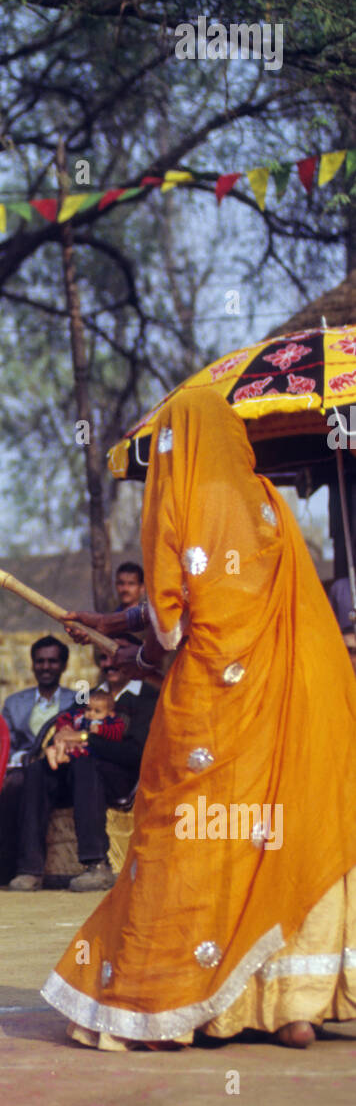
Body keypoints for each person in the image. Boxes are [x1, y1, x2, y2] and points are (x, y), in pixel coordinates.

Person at [43, 386, 356, 1051]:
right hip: (292, 705)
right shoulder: (268, 503)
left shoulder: (184, 500)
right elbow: (229, 600)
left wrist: (136, 650)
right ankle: (294, 1005)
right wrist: (120, 624)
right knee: (279, 835)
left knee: (190, 840)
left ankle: (175, 999)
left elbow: (175, 621)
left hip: (214, 715)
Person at [4, 643, 158, 892]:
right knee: (37, 772)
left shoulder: (147, 697)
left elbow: (136, 753)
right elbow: (65, 722)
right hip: (79, 770)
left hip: (122, 777)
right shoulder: (90, 692)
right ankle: (30, 868)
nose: (108, 665)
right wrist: (62, 736)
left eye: (116, 658)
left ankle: (96, 863)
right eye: (104, 658)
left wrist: (87, 739)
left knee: (87, 765)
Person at [0, 637, 77, 888]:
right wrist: (27, 759)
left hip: (61, 771)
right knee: (13, 783)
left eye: (52, 661)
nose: (45, 667)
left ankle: (17, 862)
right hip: (25, 771)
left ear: (63, 665)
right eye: (40, 661)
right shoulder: (15, 703)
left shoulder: (78, 700)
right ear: (32, 665)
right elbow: (6, 746)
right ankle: (10, 856)